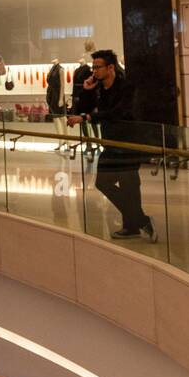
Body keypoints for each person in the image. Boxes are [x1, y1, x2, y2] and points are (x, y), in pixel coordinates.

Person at [69, 49, 155, 241]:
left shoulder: (126, 87)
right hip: (110, 144)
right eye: (93, 68)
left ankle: (133, 226)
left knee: (130, 185)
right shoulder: (98, 88)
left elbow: (118, 112)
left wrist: (88, 116)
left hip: (128, 144)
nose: (94, 72)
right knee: (104, 182)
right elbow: (83, 109)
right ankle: (141, 221)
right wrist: (86, 91)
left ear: (110, 67)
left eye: (98, 67)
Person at [46, 59, 68, 145]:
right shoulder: (52, 69)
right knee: (55, 118)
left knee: (63, 118)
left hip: (57, 94)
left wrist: (61, 98)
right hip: (51, 95)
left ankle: (68, 140)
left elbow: (62, 85)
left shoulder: (61, 69)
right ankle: (61, 140)